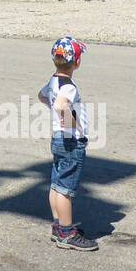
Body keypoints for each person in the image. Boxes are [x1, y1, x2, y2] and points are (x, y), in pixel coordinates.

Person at [37, 36, 98, 251]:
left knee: (56, 183)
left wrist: (54, 108)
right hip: (71, 141)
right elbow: (62, 105)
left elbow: (42, 96)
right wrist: (74, 125)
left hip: (57, 139)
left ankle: (58, 225)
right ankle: (66, 231)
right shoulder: (68, 86)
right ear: (77, 62)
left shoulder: (53, 81)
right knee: (66, 188)